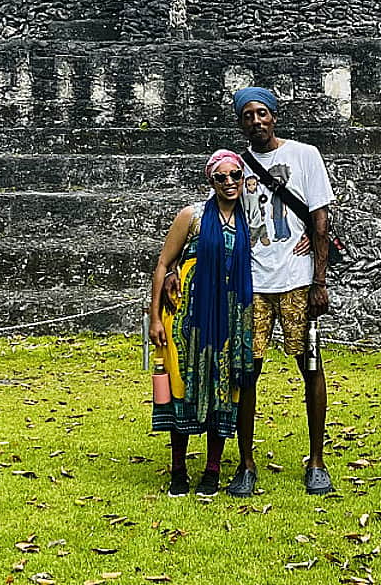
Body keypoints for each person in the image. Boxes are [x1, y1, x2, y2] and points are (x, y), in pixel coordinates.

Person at [226, 86, 334, 497]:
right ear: (241, 122)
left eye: (262, 114)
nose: (256, 121)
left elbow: (321, 220)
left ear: (274, 116)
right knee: (246, 372)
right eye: (248, 116)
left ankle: (317, 461)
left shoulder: (305, 155)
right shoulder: (235, 166)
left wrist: (320, 282)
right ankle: (247, 463)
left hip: (296, 278)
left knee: (310, 366)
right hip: (254, 282)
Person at [148, 150, 255, 497]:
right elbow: (163, 263)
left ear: (243, 178)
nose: (229, 183)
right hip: (186, 319)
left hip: (229, 319)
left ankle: (212, 469)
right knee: (181, 387)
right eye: (221, 177)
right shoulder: (192, 216)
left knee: (222, 388)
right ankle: (178, 469)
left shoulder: (248, 220)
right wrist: (154, 318)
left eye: (235, 175)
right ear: (211, 181)